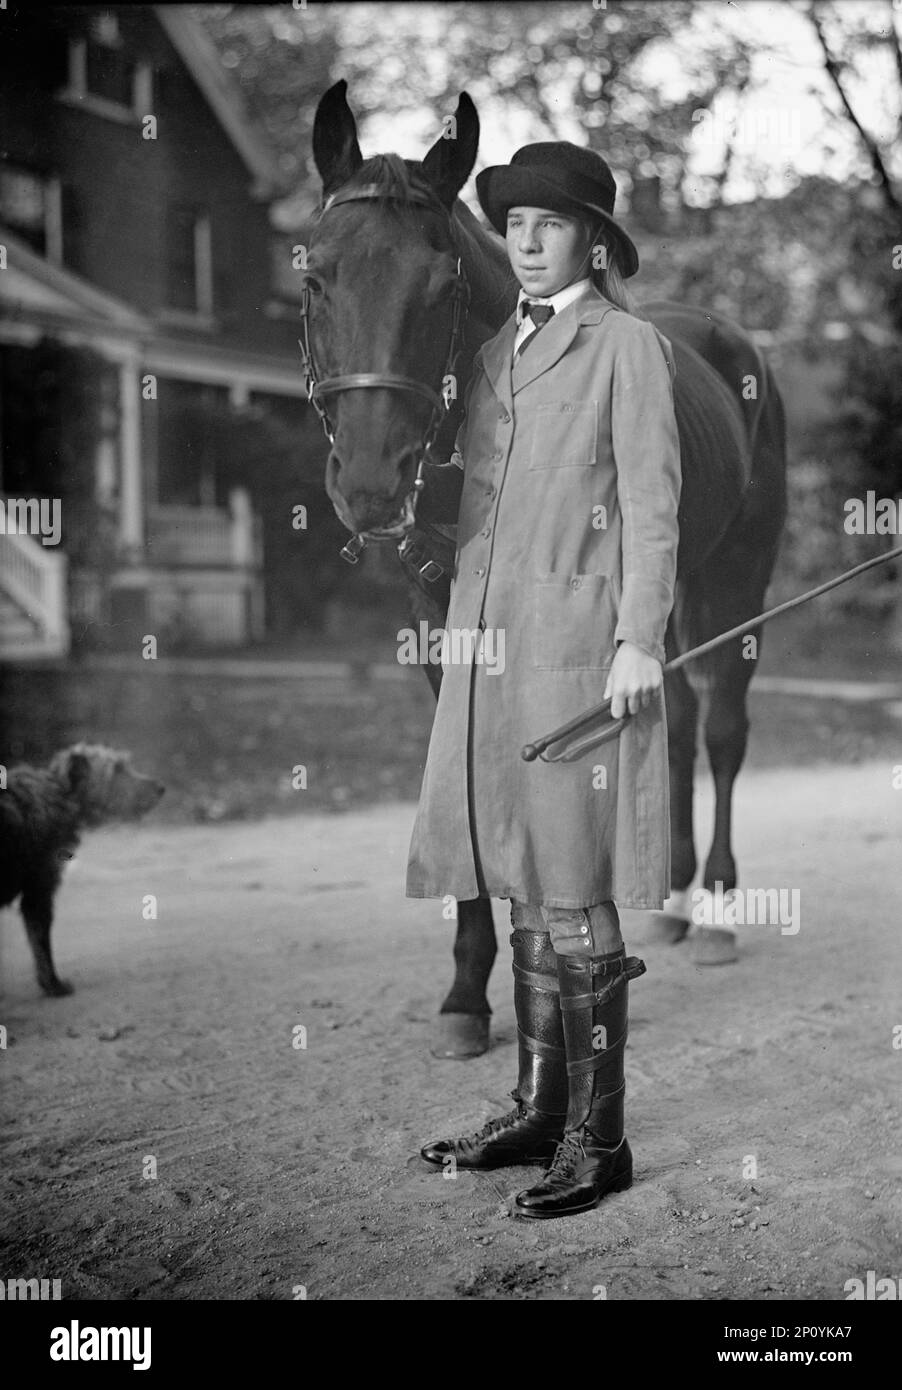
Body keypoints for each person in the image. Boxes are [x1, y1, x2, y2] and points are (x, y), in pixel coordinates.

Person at [407, 142, 681, 1219]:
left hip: (578, 651)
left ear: (593, 241)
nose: (525, 242)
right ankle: (534, 1108)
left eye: (549, 224)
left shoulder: (628, 347)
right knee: (519, 873)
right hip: (486, 653)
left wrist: (639, 636)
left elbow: (651, 506)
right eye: (513, 223)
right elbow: (486, 502)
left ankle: (598, 1140)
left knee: (573, 885)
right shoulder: (489, 356)